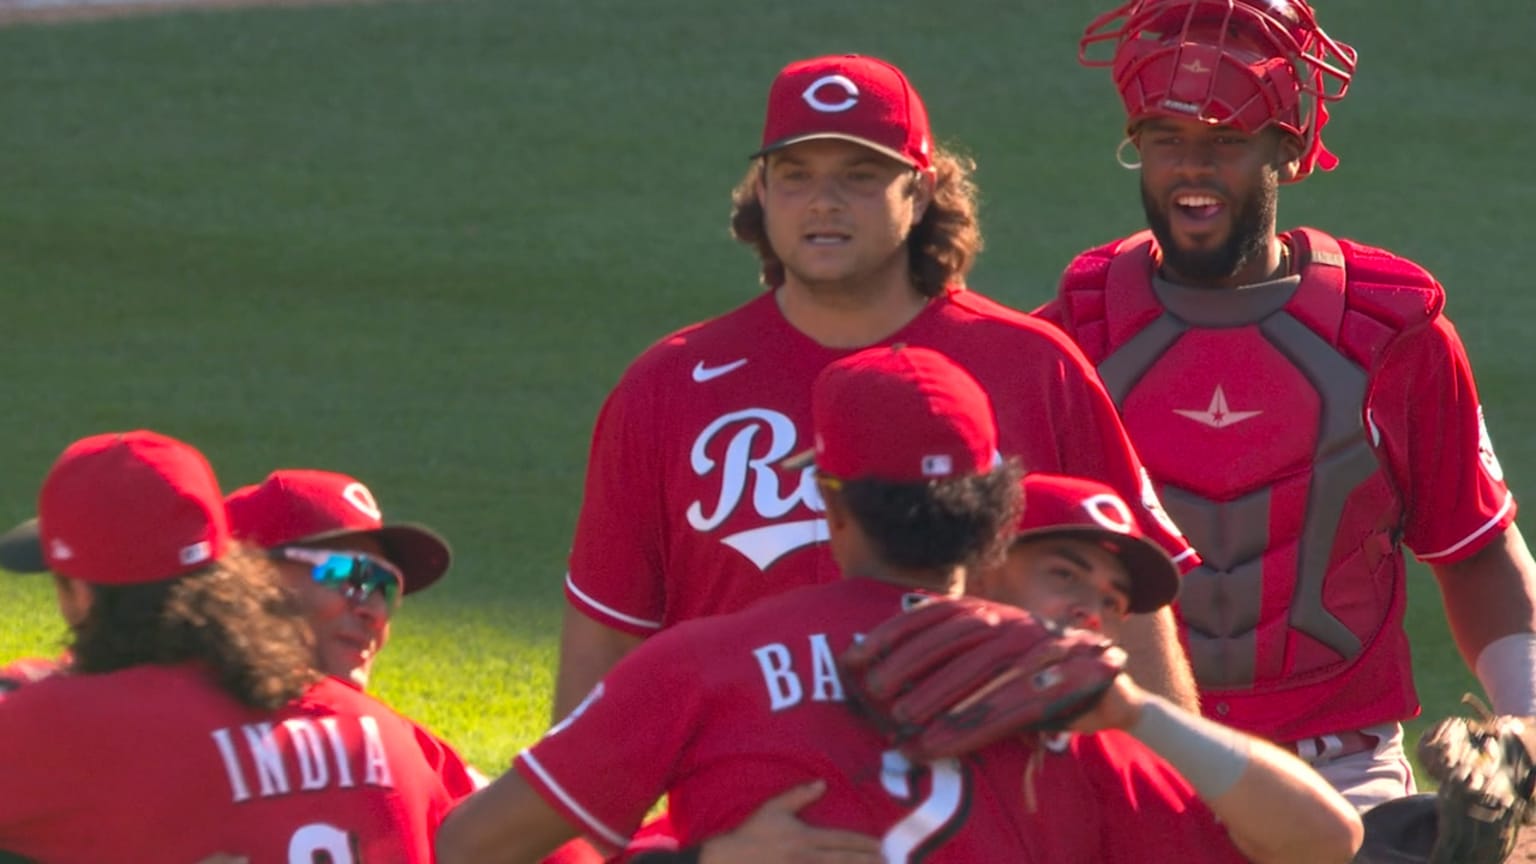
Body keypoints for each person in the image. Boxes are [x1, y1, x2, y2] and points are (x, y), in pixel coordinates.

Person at [437, 345, 1361, 864]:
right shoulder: (1067, 702)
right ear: (997, 516)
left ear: (831, 503)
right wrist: (1137, 714)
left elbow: (471, 848)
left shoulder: (700, 666)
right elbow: (1327, 841)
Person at [556, 50, 1202, 733]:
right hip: (745, 787)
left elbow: (1133, 613)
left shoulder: (1034, 367)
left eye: (860, 176)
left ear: (919, 193)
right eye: (796, 175)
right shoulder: (670, 385)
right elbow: (608, 634)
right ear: (763, 191)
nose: (824, 201)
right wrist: (572, 802)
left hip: (985, 783)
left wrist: (1181, 788)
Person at [1034, 0, 1536, 810]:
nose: (1192, 170)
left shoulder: (1393, 337)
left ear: (1290, 150)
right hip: (1129, 769)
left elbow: (1474, 547)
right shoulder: (1066, 343)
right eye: (1167, 140)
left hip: (1341, 776)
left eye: (1226, 141)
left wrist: (1528, 723)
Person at [0, 430, 463, 862]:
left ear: (81, 594)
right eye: (344, 575)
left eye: (384, 585)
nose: (373, 608)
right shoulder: (386, 738)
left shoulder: (61, 725)